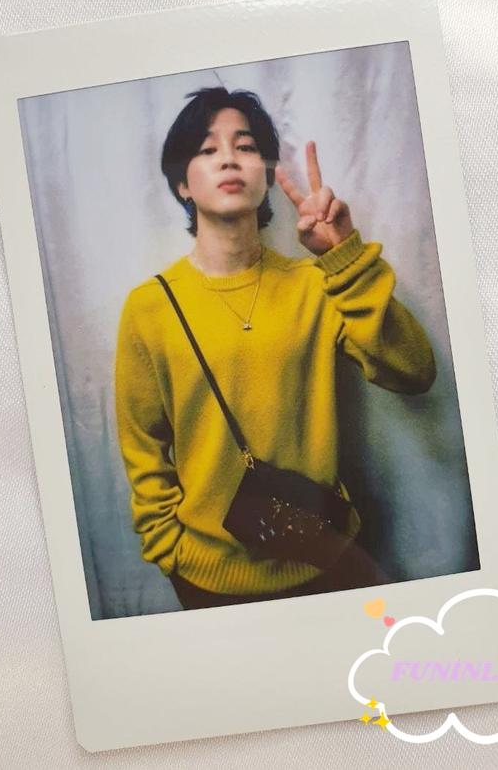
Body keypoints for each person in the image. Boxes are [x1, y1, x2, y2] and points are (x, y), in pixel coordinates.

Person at [114, 86, 436, 610]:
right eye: (207, 149)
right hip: (211, 580)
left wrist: (345, 258)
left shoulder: (314, 284)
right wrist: (171, 553)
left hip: (327, 553)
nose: (228, 159)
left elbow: (414, 371)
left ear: (265, 174)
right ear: (182, 184)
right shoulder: (149, 307)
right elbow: (143, 447)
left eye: (245, 146)